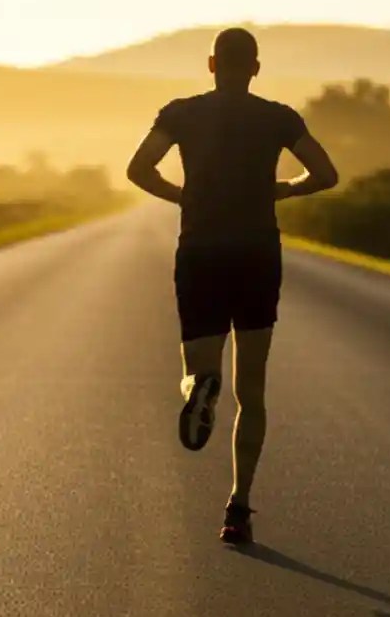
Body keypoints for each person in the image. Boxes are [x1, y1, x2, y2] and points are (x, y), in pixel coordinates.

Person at [126, 27, 339, 544]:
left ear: (211, 65)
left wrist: (183, 196)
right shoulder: (278, 118)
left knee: (197, 371)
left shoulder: (180, 113)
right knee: (252, 391)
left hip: (200, 251)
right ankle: (238, 507)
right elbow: (325, 174)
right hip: (257, 254)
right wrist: (283, 189)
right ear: (256, 69)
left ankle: (199, 390)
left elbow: (138, 169)